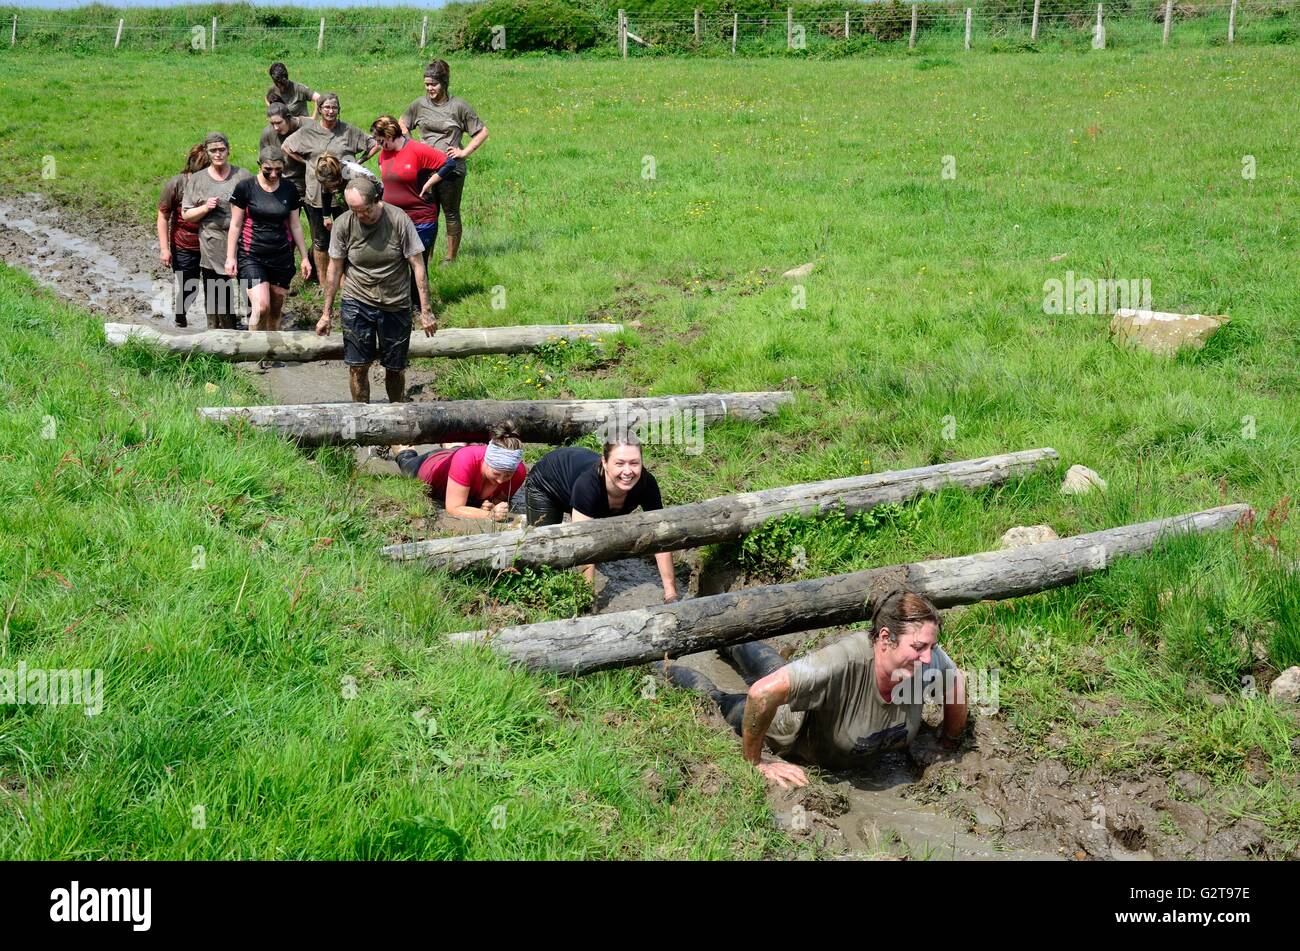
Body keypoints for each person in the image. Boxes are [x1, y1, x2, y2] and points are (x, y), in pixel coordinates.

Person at [659, 589, 968, 789]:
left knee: (772, 666)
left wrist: (948, 742)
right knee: (718, 699)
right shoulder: (844, 662)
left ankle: (732, 637)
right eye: (918, 647)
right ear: (885, 638)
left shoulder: (925, 660)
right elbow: (762, 694)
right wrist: (756, 762)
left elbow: (957, 683)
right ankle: (662, 662)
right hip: (785, 722)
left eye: (932, 646)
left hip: (813, 684)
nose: (928, 657)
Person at [317, 178, 436, 404]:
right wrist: (326, 313)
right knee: (358, 367)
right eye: (354, 211)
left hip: (395, 303)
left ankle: (396, 418)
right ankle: (363, 419)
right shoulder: (344, 223)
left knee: (395, 368)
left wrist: (425, 310)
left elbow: (418, 265)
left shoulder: (398, 219)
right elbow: (334, 270)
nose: (360, 216)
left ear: (377, 201)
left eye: (364, 211)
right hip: (357, 300)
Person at [523, 440, 677, 603]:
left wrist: (670, 593)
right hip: (547, 483)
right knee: (545, 554)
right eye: (619, 463)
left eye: (634, 463)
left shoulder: (646, 483)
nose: (627, 471)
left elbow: (661, 536)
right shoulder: (588, 484)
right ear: (605, 462)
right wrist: (587, 598)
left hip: (576, 483)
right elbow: (583, 543)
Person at [282, 93, 377, 292]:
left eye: (334, 107)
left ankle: (344, 279)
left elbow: (373, 144)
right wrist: (306, 162)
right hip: (316, 195)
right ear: (320, 109)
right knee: (320, 239)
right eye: (326, 107)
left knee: (347, 237)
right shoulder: (309, 131)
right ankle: (325, 282)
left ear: (339, 109)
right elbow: (286, 146)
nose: (330, 111)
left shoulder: (349, 131)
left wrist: (358, 163)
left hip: (345, 197)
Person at [399, 59, 487, 264]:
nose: (430, 88)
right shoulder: (419, 104)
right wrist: (412, 145)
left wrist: (464, 152)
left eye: (434, 84)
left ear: (444, 83)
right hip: (424, 170)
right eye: (427, 84)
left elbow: (482, 131)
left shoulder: (459, 106)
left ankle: (450, 258)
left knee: (450, 212)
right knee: (428, 214)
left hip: (451, 169)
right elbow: (402, 123)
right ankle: (426, 256)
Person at [370, 114, 458, 304]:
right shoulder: (383, 153)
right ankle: (398, 303)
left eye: (381, 140)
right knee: (395, 262)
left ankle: (420, 306)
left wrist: (430, 183)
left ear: (391, 134)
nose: (379, 145)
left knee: (417, 264)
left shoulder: (417, 150)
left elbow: (449, 163)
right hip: (393, 218)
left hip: (420, 219)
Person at [224, 146, 310, 335]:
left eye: (278, 170)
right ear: (259, 165)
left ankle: (272, 350)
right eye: (268, 170)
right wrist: (231, 257)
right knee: (262, 306)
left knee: (275, 306)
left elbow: (295, 225)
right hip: (251, 255)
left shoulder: (289, 189)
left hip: (281, 256)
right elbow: (235, 225)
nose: (273, 174)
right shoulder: (245, 188)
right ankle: (255, 351)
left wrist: (304, 257)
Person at [181, 132, 252, 329]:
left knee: (250, 286)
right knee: (217, 290)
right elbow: (186, 214)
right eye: (213, 151)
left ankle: (255, 329)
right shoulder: (197, 180)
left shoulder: (243, 176)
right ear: (207, 153)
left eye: (221, 150)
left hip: (242, 239)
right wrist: (204, 208)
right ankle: (218, 331)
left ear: (228, 150)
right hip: (212, 240)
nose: (218, 154)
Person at [394, 421, 527, 521]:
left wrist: (491, 506)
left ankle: (454, 444)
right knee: (405, 461)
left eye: (507, 475)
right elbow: (453, 508)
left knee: (459, 452)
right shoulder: (466, 460)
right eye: (496, 473)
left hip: (462, 457)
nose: (500, 480)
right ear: (486, 462)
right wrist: (490, 515)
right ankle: (398, 439)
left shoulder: (519, 472)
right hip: (433, 466)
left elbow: (498, 501)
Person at [156, 143, 209, 328]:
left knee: (217, 288)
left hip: (212, 244)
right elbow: (163, 216)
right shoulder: (177, 184)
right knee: (190, 287)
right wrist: (164, 249)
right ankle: (181, 314)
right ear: (191, 165)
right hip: (184, 245)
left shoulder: (217, 183)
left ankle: (217, 326)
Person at [260, 104, 307, 201]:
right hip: (281, 182)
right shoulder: (268, 133)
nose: (276, 127)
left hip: (308, 181)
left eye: (278, 122)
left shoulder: (306, 127)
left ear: (289, 117)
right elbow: (263, 163)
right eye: (272, 124)